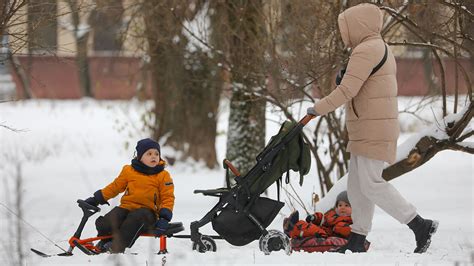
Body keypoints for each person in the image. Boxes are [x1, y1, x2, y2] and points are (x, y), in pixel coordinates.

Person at [306, 3, 438, 253]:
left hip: (372, 129)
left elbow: (347, 90)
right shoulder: (377, 47)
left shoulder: (366, 50)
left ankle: (420, 225)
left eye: (346, 27)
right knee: (357, 186)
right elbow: (362, 84)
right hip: (368, 127)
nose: (344, 33)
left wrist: (318, 108)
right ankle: (357, 239)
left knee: (370, 184)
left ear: (358, 25)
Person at [82, 138, 175, 253]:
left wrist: (164, 218)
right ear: (140, 156)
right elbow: (115, 187)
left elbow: (168, 197)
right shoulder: (129, 171)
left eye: (157, 154)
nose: (154, 157)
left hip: (148, 212)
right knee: (107, 222)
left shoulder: (163, 175)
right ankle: (106, 240)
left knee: (135, 219)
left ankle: (118, 245)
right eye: (149, 153)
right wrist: (97, 198)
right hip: (127, 208)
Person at [284, 191, 353, 240]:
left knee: (311, 229)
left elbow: (349, 231)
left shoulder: (350, 220)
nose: (342, 208)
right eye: (340, 205)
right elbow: (323, 218)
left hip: (326, 236)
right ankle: (293, 226)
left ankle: (292, 228)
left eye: (346, 205)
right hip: (322, 230)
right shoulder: (333, 215)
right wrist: (314, 217)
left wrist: (338, 227)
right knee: (309, 226)